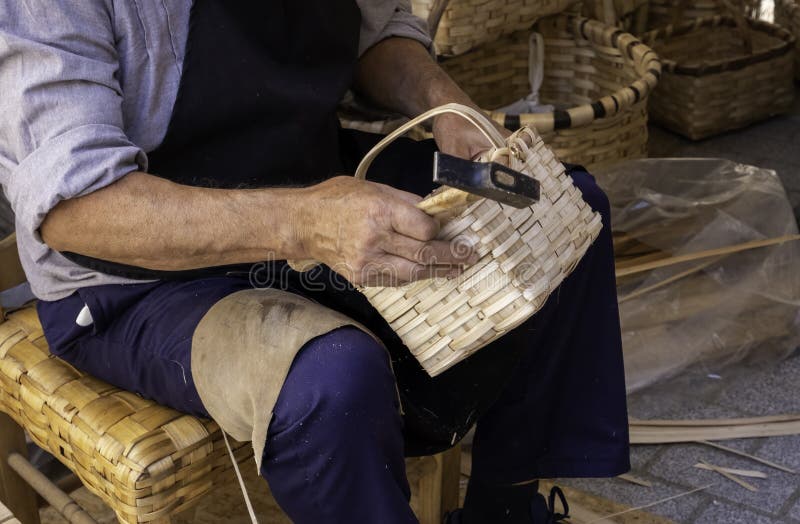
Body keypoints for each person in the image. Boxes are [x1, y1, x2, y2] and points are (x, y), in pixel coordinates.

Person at [0, 2, 630, 522]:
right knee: (333, 378)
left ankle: (506, 508)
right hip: (137, 278)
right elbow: (76, 209)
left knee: (548, 207)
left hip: (311, 177)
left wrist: (445, 104)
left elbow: (373, 35)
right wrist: (306, 224)